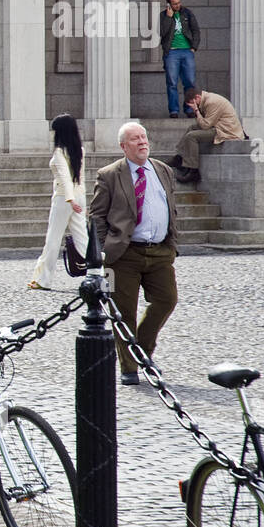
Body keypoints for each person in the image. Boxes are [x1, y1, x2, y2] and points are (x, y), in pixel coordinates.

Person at [89, 121, 179, 386]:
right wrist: (106, 248)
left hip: (160, 251)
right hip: (124, 254)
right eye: (135, 139)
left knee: (167, 300)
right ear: (123, 146)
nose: (142, 142)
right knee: (124, 312)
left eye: (143, 137)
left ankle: (142, 351)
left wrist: (172, 241)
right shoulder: (109, 174)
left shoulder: (163, 170)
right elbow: (97, 216)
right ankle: (129, 367)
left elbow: (170, 206)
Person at [28, 114, 87, 291]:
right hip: (78, 196)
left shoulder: (60, 152)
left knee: (53, 239)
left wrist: (70, 199)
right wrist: (79, 201)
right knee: (82, 238)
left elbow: (65, 178)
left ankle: (43, 279)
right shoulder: (79, 150)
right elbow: (80, 178)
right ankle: (99, 272)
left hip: (64, 198)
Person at [166, 86, 245, 184]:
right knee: (191, 128)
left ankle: (193, 171)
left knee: (191, 136)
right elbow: (203, 123)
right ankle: (180, 157)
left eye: (192, 103)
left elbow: (205, 125)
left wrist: (196, 111)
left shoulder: (211, 102)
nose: (192, 106)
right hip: (217, 126)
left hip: (226, 131)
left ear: (197, 97)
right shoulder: (205, 100)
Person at [158, 0, 200, 118]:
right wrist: (169, 17)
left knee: (190, 82)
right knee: (172, 82)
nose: (178, 5)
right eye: (175, 4)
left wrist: (194, 47)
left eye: (179, 2)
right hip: (172, 52)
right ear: (169, 4)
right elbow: (162, 32)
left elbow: (195, 30)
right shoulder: (163, 15)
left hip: (187, 51)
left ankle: (189, 109)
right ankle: (174, 111)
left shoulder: (187, 13)